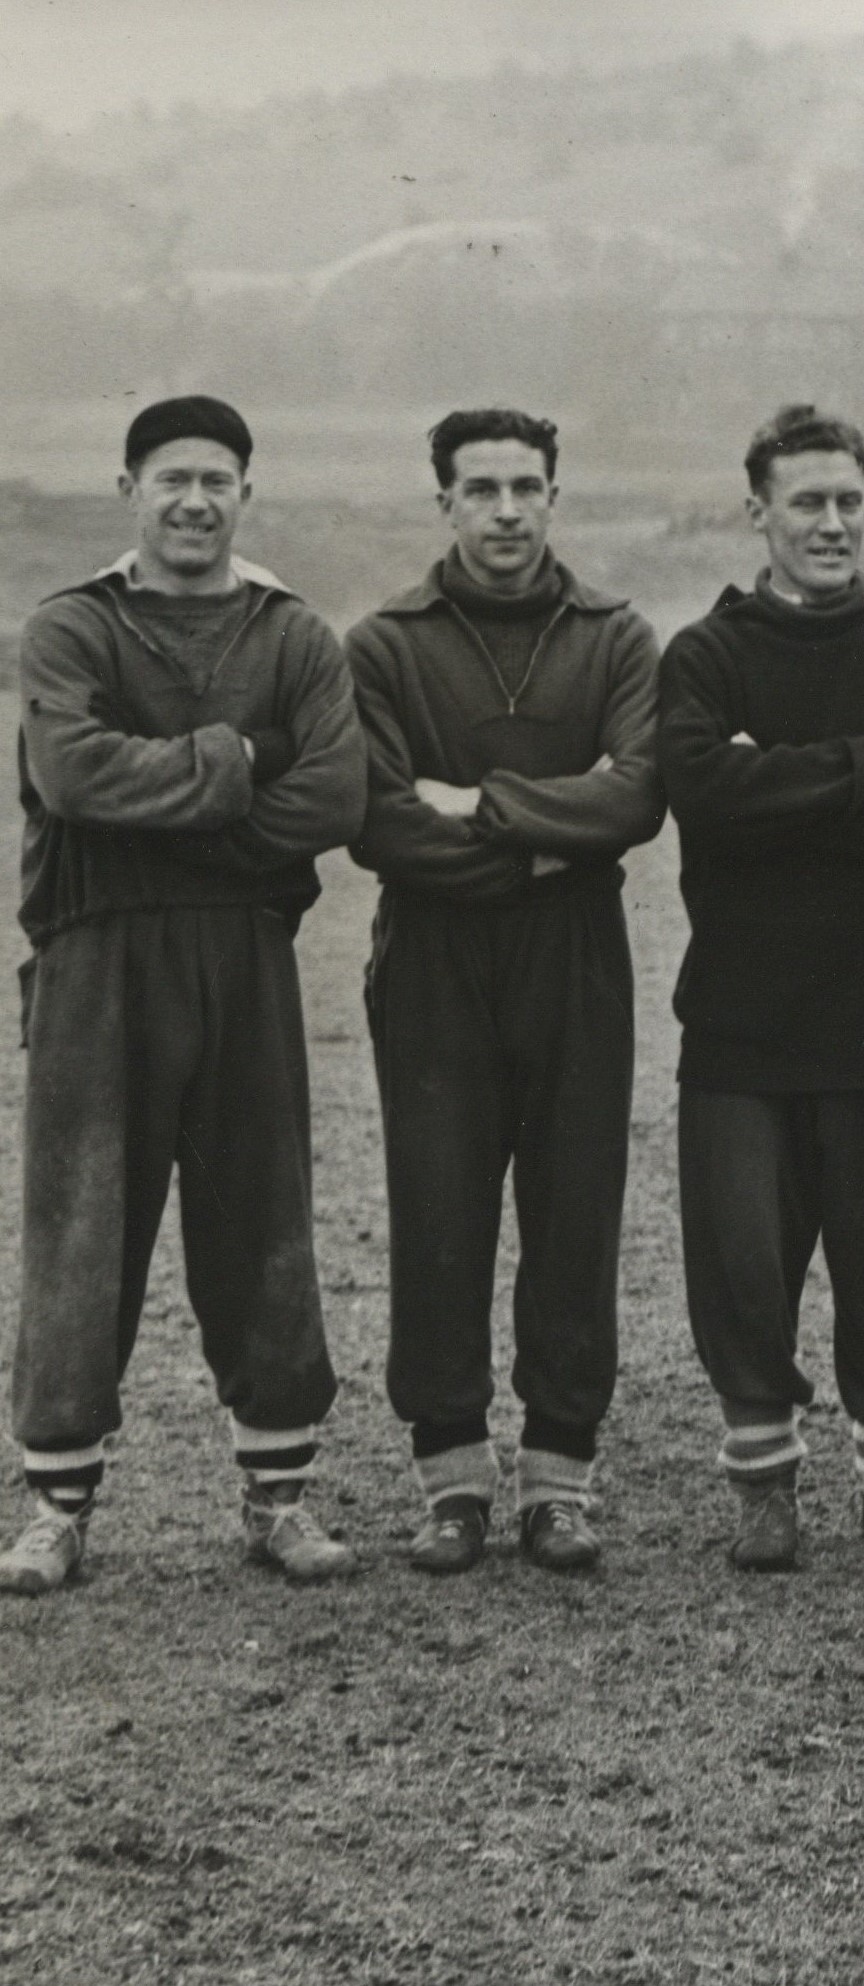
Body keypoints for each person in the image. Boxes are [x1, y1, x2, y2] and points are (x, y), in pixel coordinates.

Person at [0, 396, 367, 1595]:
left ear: (245, 493)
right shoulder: (70, 625)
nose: (195, 500)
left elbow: (334, 800)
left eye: (217, 478)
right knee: (81, 1222)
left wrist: (176, 810)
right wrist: (236, 759)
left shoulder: (293, 632)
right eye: (172, 479)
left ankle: (278, 1497)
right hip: (95, 959)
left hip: (243, 957)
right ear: (129, 490)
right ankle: (57, 1505)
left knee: (260, 1217)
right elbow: (71, 773)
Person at [657, 404, 864, 1571]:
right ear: (759, 512)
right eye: (808, 502)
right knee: (745, 1263)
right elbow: (699, 789)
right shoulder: (706, 653)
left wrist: (778, 784)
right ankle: (765, 1484)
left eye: (850, 500)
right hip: (742, 1018)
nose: (833, 522)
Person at [344, 408, 663, 1577]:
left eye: (527, 486)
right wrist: (550, 818)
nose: (508, 511)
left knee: (574, 1209)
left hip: (573, 953)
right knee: (438, 1208)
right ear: (444, 505)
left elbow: (634, 800)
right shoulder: (382, 644)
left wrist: (474, 803)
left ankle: (560, 1484)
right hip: (432, 953)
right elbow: (376, 823)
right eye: (480, 490)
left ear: (555, 497)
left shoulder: (615, 635)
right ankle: (453, 1480)